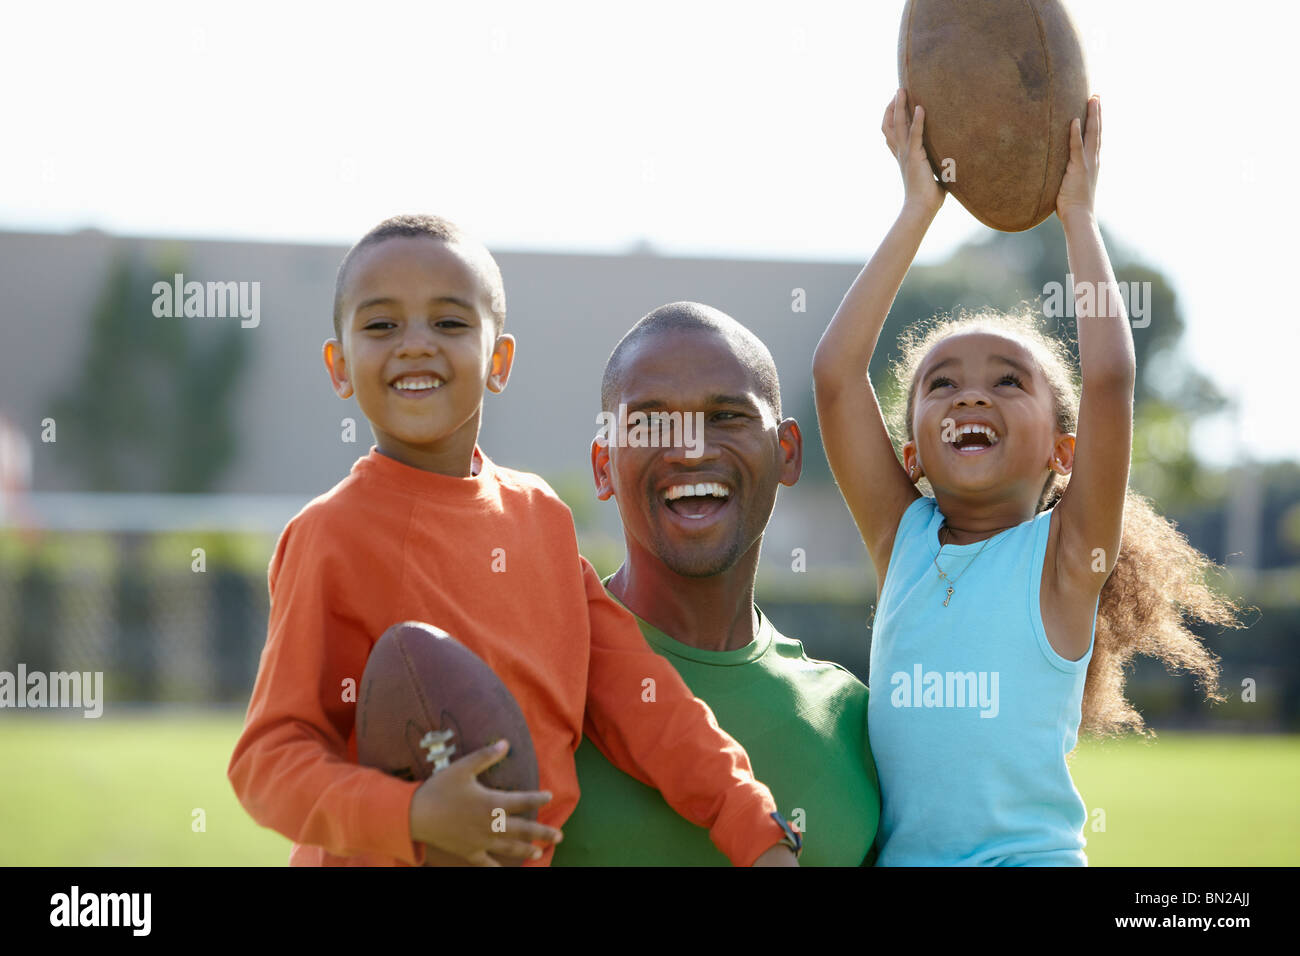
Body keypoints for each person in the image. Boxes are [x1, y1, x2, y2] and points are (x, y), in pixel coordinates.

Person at [227, 215, 801, 867]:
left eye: (449, 323)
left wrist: (752, 822)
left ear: (499, 361)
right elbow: (266, 764)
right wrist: (413, 815)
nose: (415, 345)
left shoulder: (542, 521)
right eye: (381, 325)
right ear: (339, 367)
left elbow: (643, 698)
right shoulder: (328, 534)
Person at [812, 91, 1237, 865]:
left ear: (1063, 454)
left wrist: (1077, 213)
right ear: (911, 455)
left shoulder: (1066, 562)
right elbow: (837, 377)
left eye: (1009, 381)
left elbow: (1108, 380)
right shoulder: (899, 538)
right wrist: (917, 209)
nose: (971, 392)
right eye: (940, 384)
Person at [552, 302, 880, 866]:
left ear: (787, 453)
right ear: (603, 466)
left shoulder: (855, 723)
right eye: (651, 422)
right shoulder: (540, 675)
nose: (691, 449)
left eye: (726, 416)